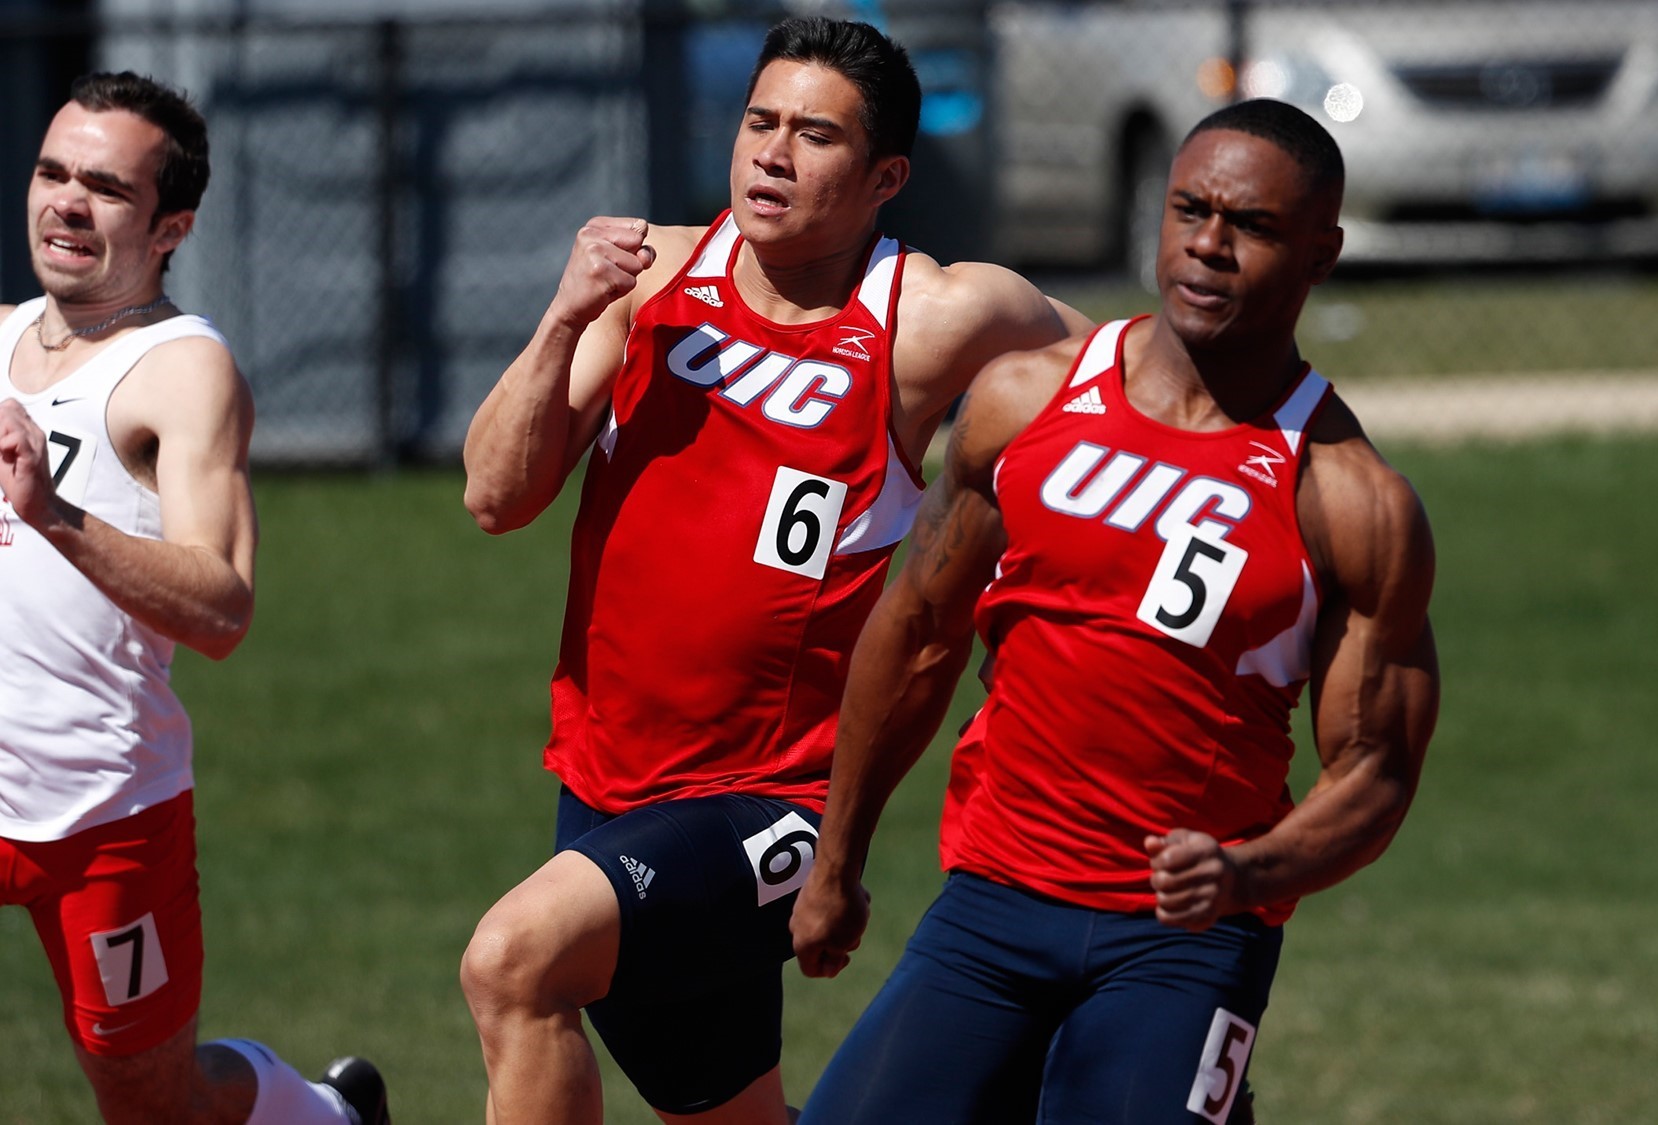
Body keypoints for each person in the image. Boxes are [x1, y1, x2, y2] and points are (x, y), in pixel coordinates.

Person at [456, 16, 1088, 1124]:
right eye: (758, 122)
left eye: (814, 135)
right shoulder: (645, 278)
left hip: (776, 805)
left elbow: (1137, 388)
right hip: (605, 783)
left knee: (514, 961)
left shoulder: (929, 319)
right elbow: (497, 497)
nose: (771, 154)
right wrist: (563, 316)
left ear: (886, 173)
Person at [789, 97, 1441, 1123]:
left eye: (1252, 226)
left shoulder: (1348, 501)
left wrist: (1242, 872)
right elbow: (916, 631)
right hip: (992, 906)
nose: (1208, 247)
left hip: (1184, 943)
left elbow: (1374, 771)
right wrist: (836, 861)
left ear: (1321, 253)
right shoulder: (1020, 404)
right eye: (1189, 211)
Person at [0, 73, 388, 1125]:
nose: (66, 203)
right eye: (51, 172)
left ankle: (320, 1113)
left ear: (169, 226)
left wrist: (56, 514)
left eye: (105, 188)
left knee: (152, 1103)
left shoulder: (181, 371)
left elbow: (221, 609)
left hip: (102, 811)